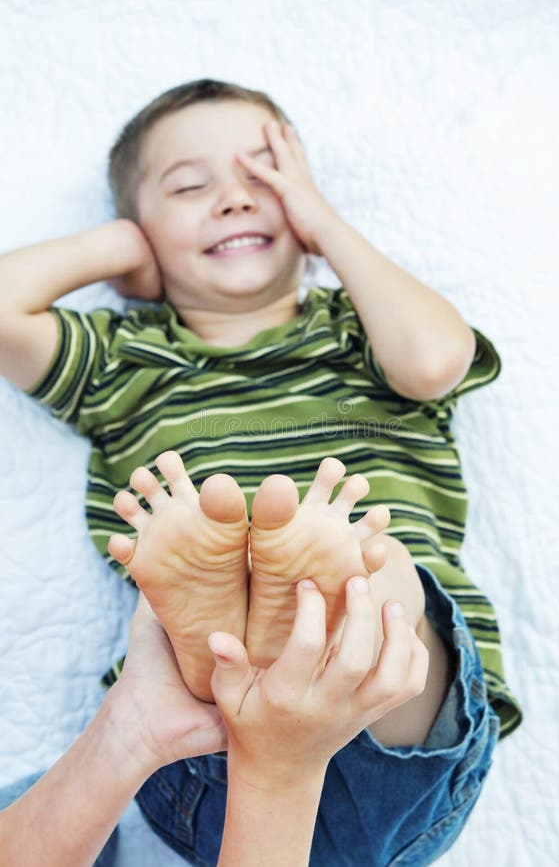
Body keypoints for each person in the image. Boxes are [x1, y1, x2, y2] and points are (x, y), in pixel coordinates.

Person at [0, 77, 521, 862]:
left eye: (265, 175)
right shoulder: (124, 358)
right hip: (205, 758)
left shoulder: (362, 332)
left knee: (381, 572)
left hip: (393, 722)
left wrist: (324, 223)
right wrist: (121, 250)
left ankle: (290, 620)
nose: (235, 199)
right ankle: (230, 640)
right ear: (141, 222)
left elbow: (434, 359)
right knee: (352, 569)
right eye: (189, 186)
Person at [0, 567, 427, 866]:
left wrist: (131, 733)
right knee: (398, 626)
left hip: (177, 779)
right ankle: (357, 615)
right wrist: (279, 773)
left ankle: (298, 633)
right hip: (372, 827)